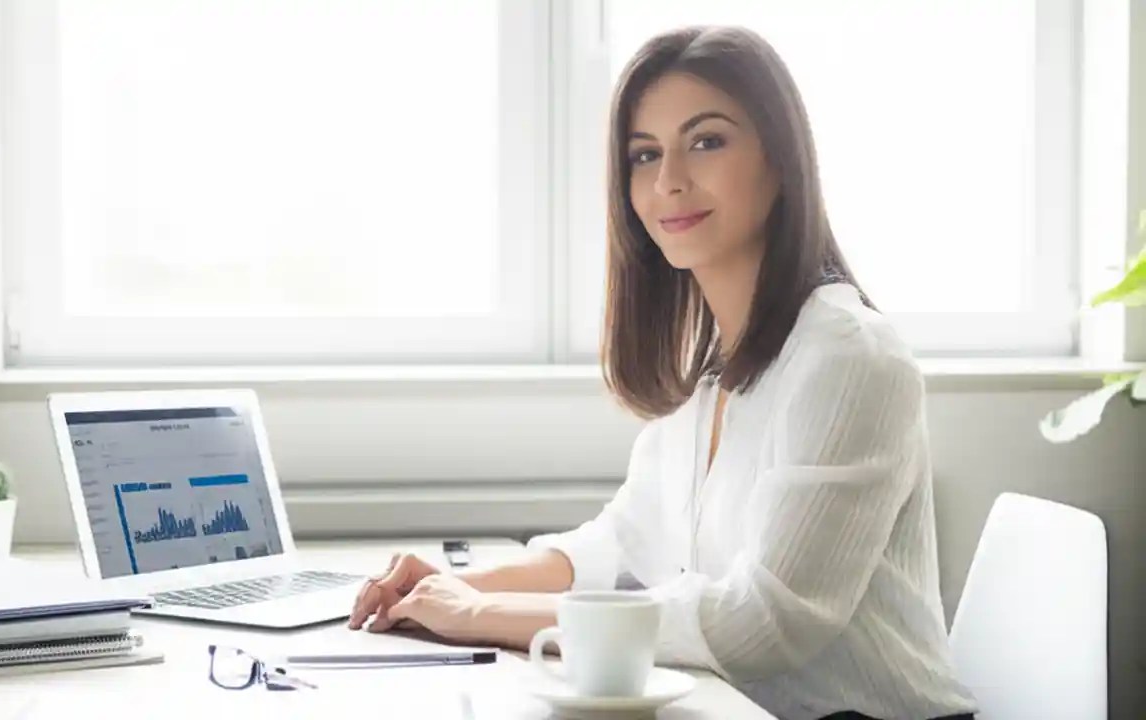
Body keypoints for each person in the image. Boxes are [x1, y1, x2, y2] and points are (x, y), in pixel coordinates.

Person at [347, 26, 978, 720]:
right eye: (645, 155)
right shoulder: (710, 372)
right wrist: (453, 585)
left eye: (706, 141)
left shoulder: (850, 356)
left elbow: (764, 622)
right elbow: (621, 546)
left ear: (781, 159)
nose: (668, 180)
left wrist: (479, 614)